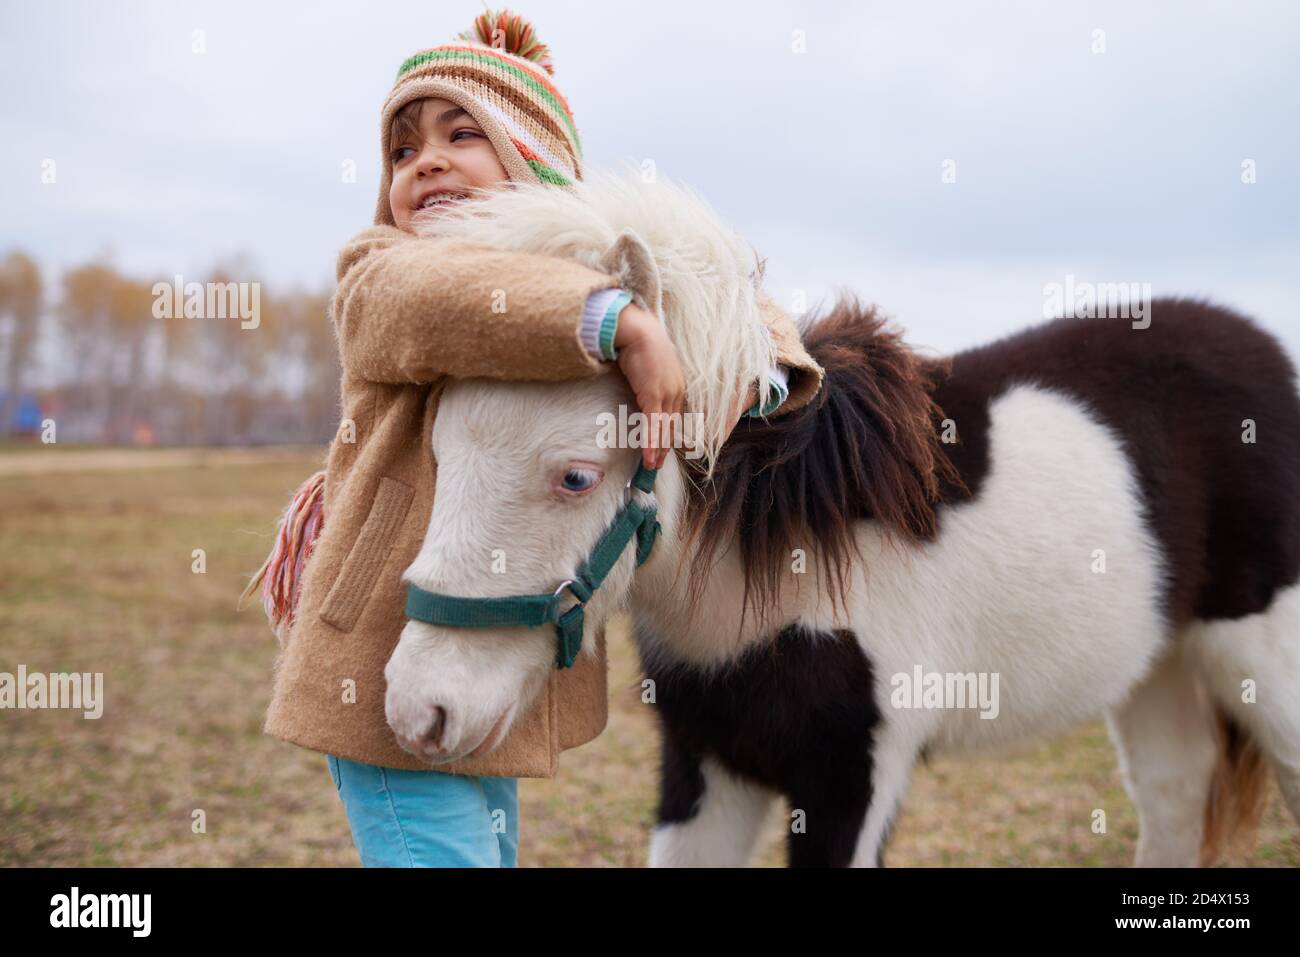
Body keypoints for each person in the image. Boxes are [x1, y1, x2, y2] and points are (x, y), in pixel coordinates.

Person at [248, 8, 823, 867]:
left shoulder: (574, 288)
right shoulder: (383, 273)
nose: (425, 161)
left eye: (461, 133)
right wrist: (614, 318)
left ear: (533, 163)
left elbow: (732, 298)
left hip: (497, 649)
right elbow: (436, 305)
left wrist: (751, 368)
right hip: (384, 653)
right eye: (403, 150)